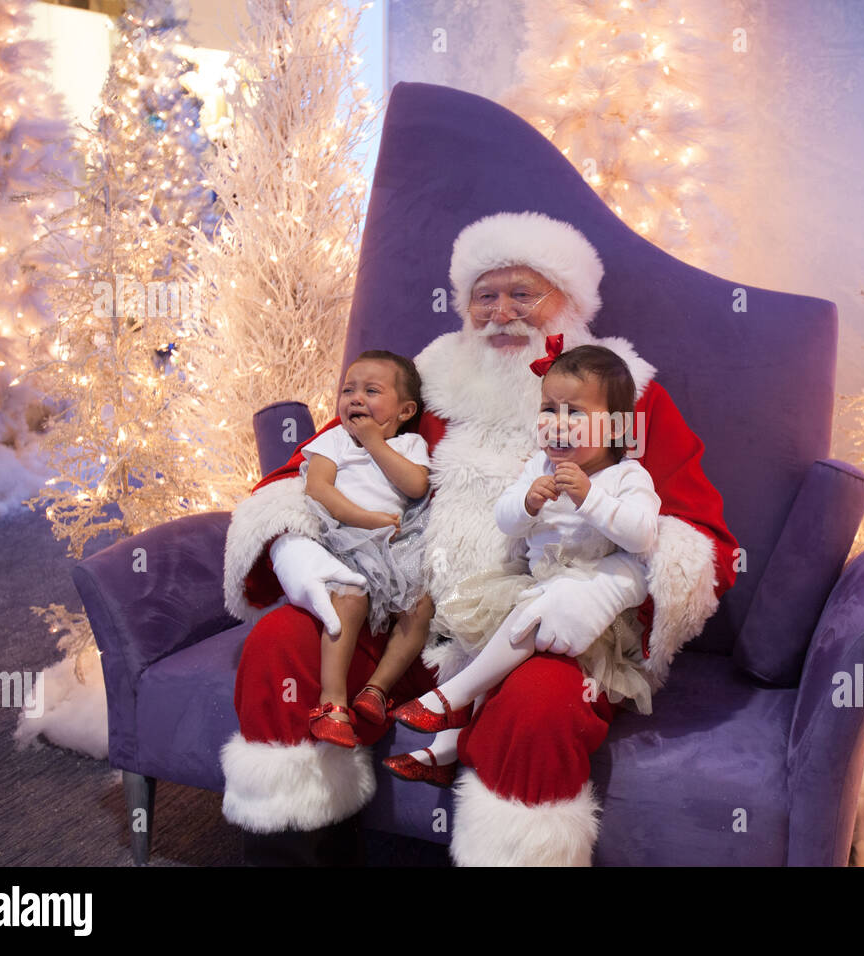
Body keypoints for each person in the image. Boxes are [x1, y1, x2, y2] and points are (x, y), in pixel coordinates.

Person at [219, 210, 738, 865]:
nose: (501, 312)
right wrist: (296, 549)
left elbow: (698, 536)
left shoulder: (627, 395)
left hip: (541, 627)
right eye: (484, 294)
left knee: (544, 703)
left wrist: (609, 590)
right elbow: (313, 464)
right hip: (407, 608)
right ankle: (289, 847)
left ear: (570, 304)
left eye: (524, 292)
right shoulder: (423, 381)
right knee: (281, 642)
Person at [383, 344, 660, 786]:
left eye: (575, 413)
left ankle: (449, 699)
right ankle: (449, 744)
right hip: (531, 584)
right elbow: (505, 519)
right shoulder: (539, 465)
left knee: (517, 638)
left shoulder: (628, 477)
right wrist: (527, 503)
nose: (558, 424)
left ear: (615, 427)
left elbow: (642, 535)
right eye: (549, 409)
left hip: (589, 605)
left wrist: (592, 498)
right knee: (491, 650)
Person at [297, 350, 433, 749]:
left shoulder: (409, 445)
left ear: (405, 410)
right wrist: (364, 518)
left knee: (421, 606)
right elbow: (318, 488)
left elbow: (415, 487)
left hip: (396, 545)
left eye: (371, 391)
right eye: (348, 390)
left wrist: (375, 443)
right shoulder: (334, 440)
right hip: (344, 535)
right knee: (350, 598)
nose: (355, 398)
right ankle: (332, 703)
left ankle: (377, 689)